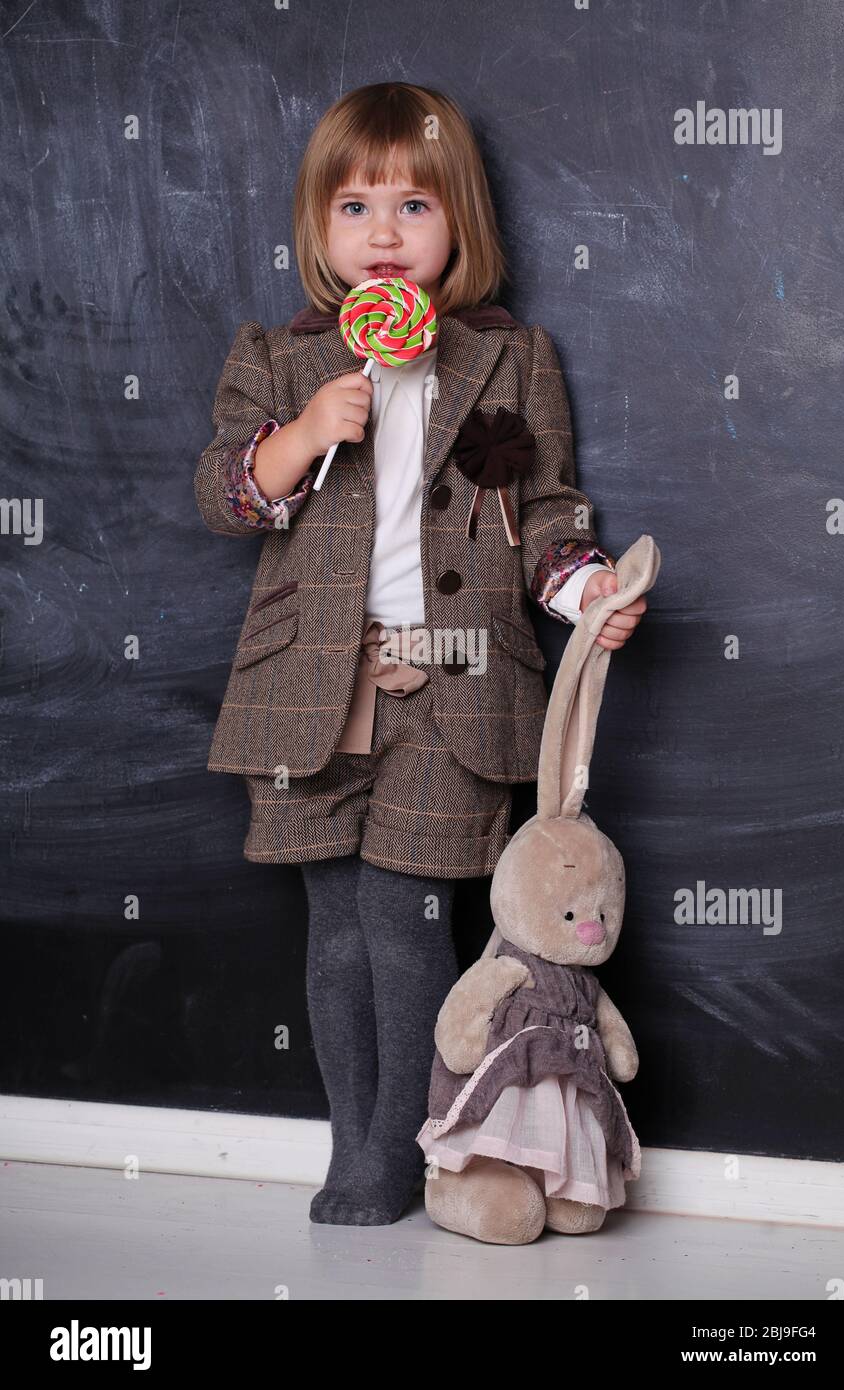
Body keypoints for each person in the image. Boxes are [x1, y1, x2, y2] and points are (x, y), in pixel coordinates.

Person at [194, 81, 647, 1226]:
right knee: (334, 927)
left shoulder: (509, 359)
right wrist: (301, 437)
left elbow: (546, 514)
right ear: (319, 230)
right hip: (309, 686)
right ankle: (353, 1146)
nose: (383, 233)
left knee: (404, 923)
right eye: (354, 208)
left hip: (454, 682)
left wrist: (586, 590)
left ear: (461, 228)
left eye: (411, 206)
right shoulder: (275, 358)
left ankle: (410, 1148)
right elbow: (223, 495)